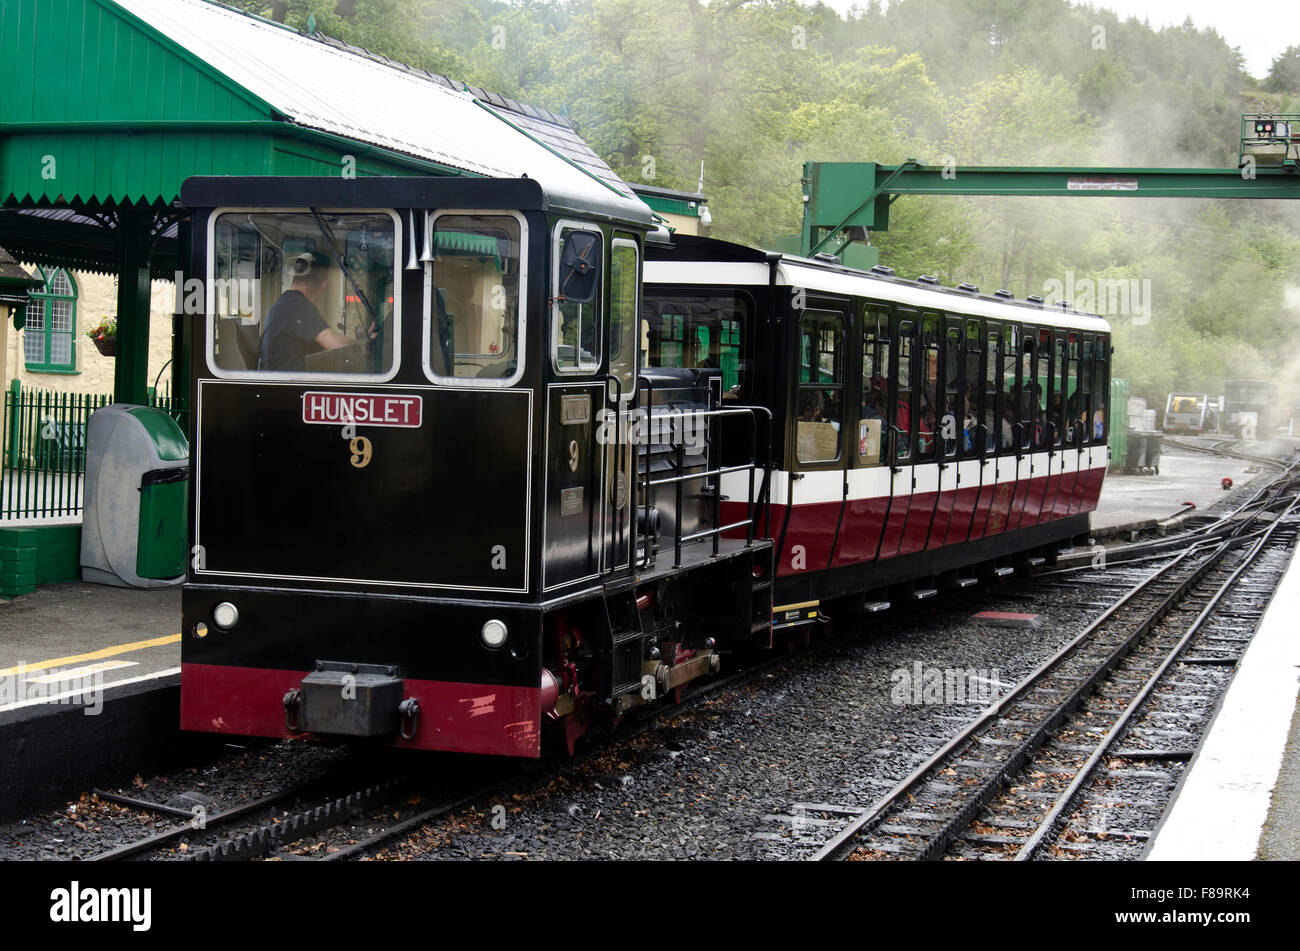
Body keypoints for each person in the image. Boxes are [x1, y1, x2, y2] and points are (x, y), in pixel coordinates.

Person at [259, 251, 357, 372]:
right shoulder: (297, 304)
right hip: (287, 385)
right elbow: (334, 344)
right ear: (323, 284)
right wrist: (361, 345)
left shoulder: (286, 301)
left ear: (294, 279)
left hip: (280, 381)